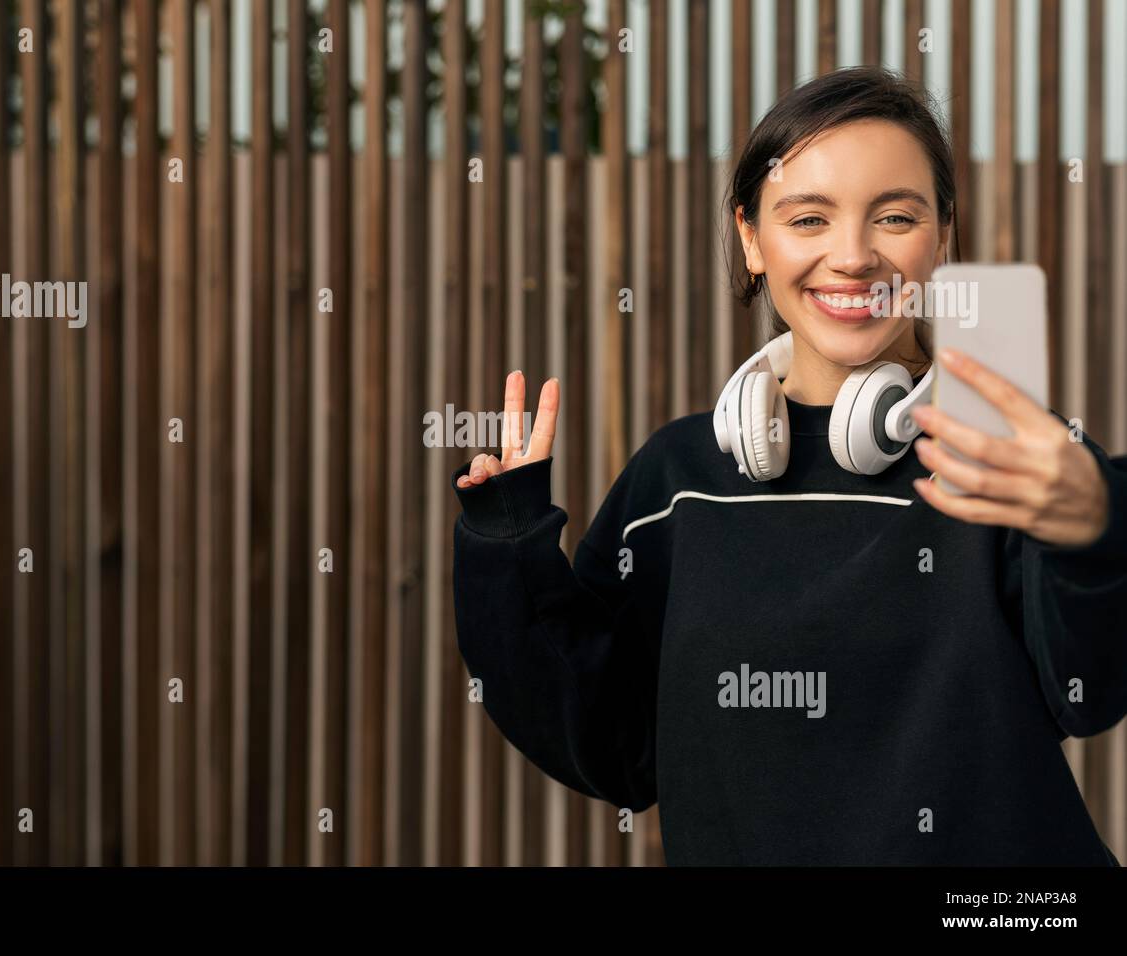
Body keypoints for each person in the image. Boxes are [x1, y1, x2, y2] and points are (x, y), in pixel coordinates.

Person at [449, 66, 1127, 865]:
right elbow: (613, 747)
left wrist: (1095, 526)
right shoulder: (676, 479)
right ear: (751, 238)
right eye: (808, 218)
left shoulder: (1012, 461)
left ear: (943, 233)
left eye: (895, 217)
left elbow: (1089, 694)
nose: (852, 257)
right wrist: (510, 545)